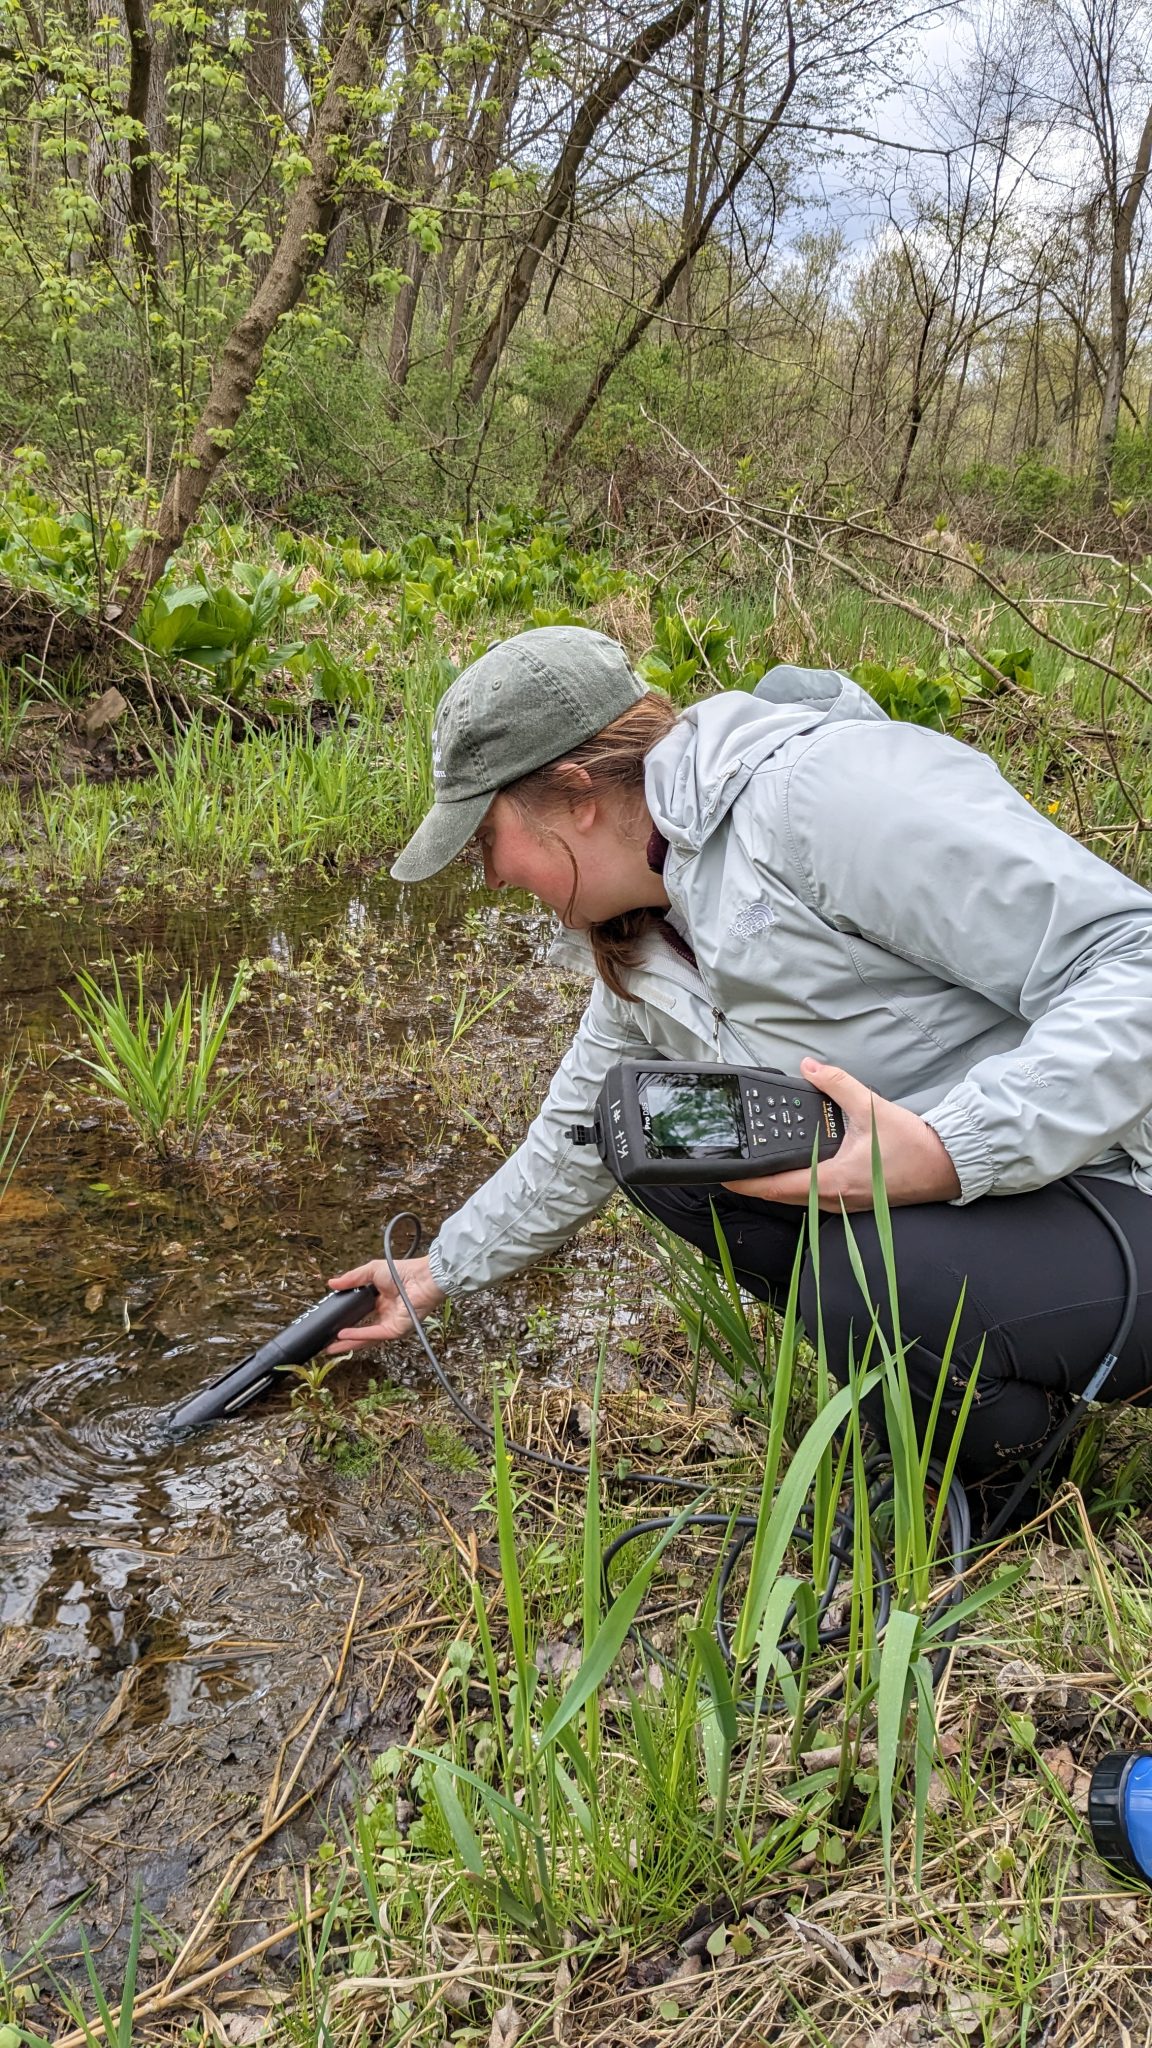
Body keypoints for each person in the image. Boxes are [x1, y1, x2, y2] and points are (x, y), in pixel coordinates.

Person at [329, 625, 1152, 1525]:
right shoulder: (648, 928)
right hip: (1000, 1203)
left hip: (1122, 1180)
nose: (487, 877)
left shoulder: (821, 798)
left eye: (487, 839)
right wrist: (436, 1271)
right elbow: (573, 1139)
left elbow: (1133, 960)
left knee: (856, 1272)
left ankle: (998, 1485)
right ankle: (981, 1406)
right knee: (643, 1127)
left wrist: (949, 1148)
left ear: (574, 796)